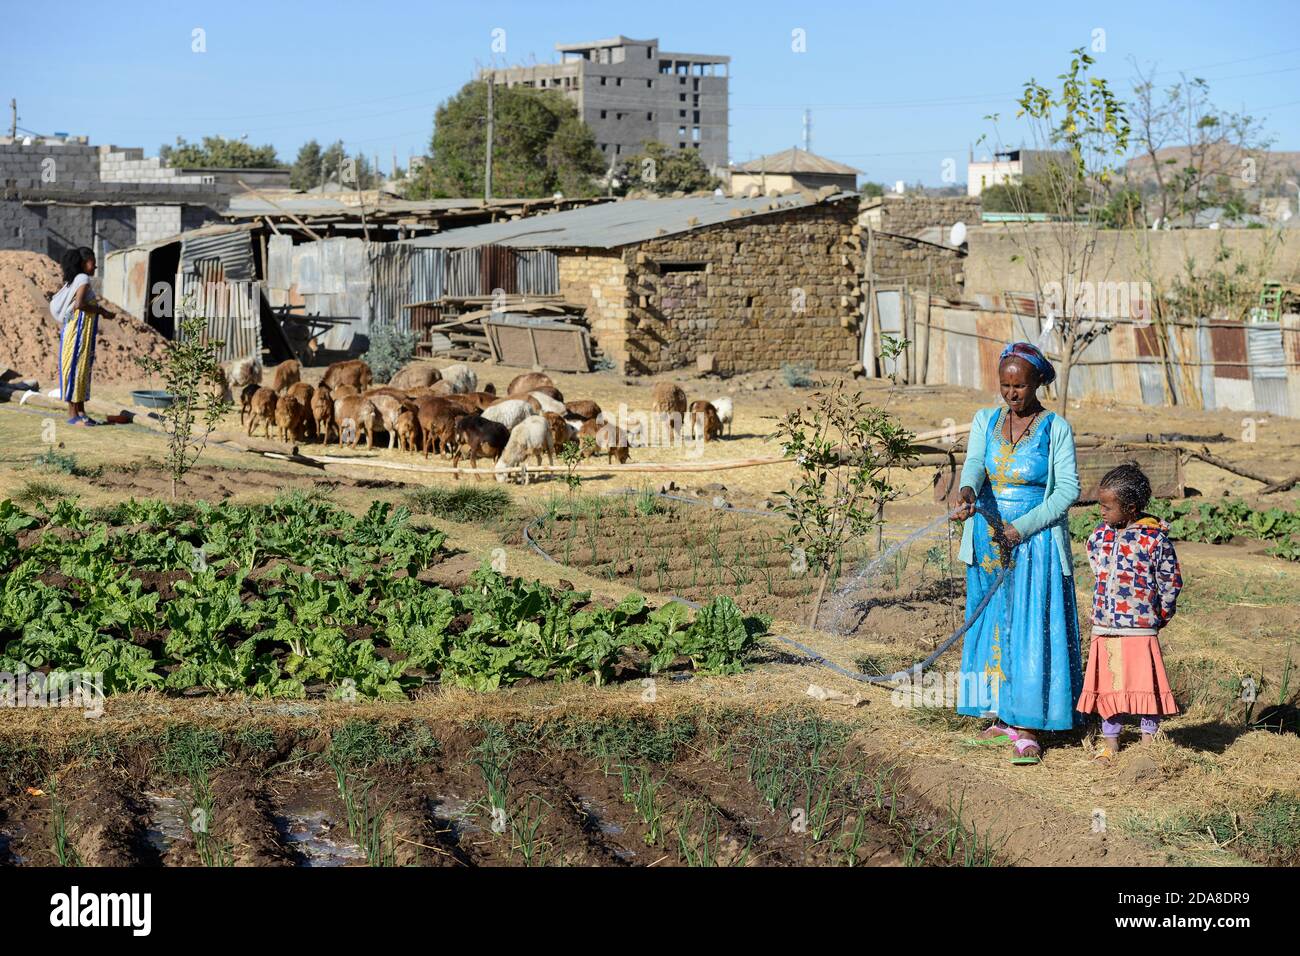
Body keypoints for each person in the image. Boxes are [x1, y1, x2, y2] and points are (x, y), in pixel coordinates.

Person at [950, 342, 1083, 764]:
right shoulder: (984, 421)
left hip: (1036, 543)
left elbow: (1068, 491)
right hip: (987, 538)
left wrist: (1021, 528)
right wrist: (969, 489)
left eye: (1020, 386)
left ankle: (1027, 724)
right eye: (1004, 385)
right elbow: (975, 463)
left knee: (1030, 627)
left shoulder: (1055, 428)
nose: (1011, 394)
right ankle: (997, 714)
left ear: (1038, 382)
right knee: (992, 622)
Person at [1076, 463, 1182, 761]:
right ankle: (1110, 744)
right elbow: (1097, 568)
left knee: (1143, 685)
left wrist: (1161, 614)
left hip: (1140, 628)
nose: (1101, 512)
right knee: (1108, 686)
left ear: (1131, 507)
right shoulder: (1100, 535)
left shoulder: (1153, 539)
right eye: (1100, 505)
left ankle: (1150, 744)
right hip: (1105, 626)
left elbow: (1170, 581)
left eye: (1107, 507)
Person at [49, 246, 112, 426]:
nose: (96, 267)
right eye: (93, 262)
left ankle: (81, 412)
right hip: (77, 333)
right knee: (75, 369)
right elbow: (79, 305)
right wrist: (102, 311)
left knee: (82, 369)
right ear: (85, 263)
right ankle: (73, 415)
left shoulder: (77, 279)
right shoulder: (82, 278)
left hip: (81, 333)